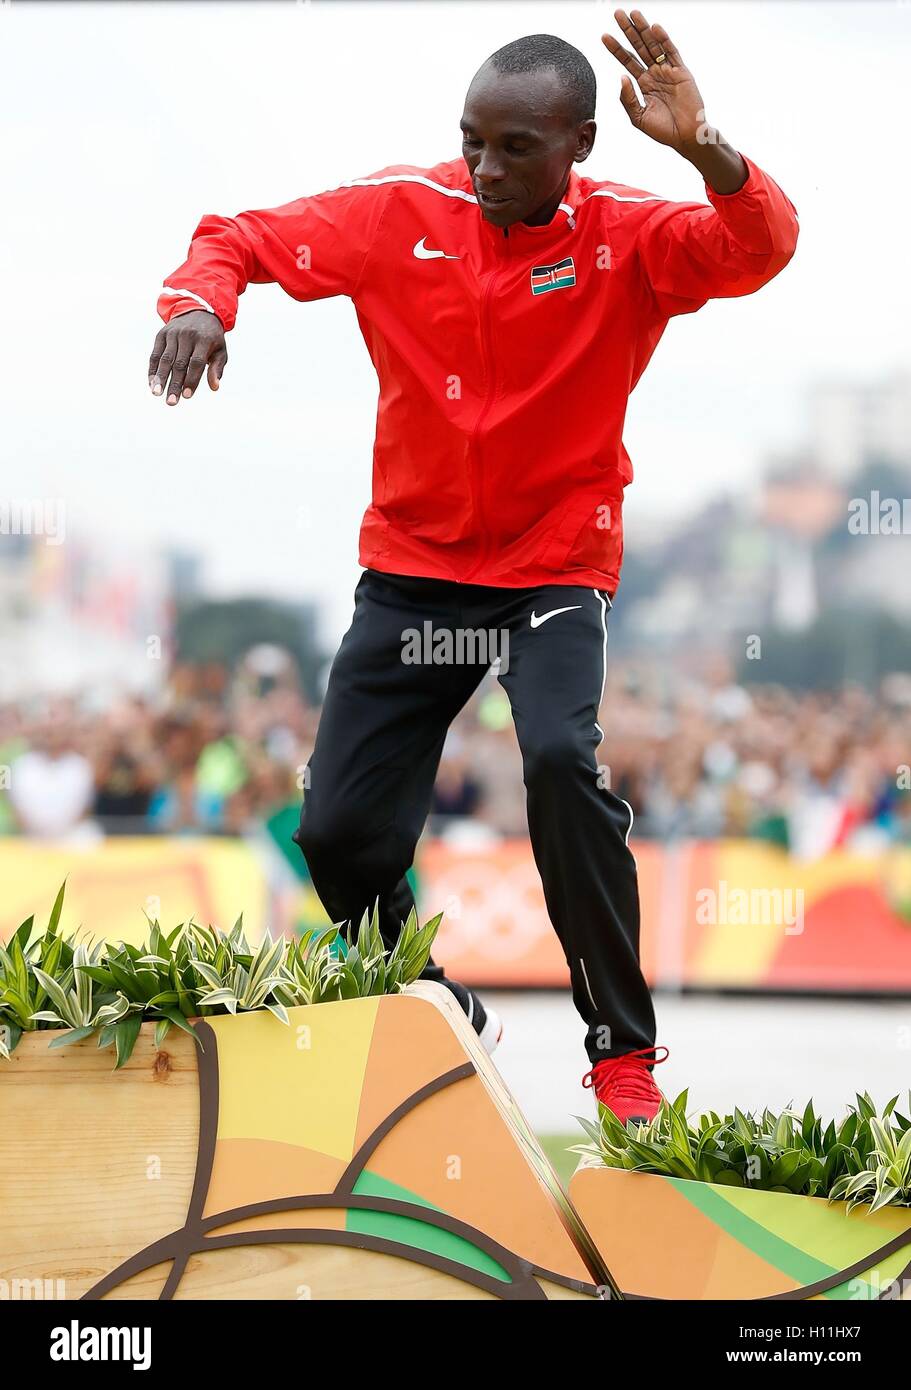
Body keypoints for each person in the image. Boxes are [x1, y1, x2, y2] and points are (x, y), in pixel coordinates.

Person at [148, 10, 798, 1122]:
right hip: (413, 567)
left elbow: (759, 246)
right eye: (471, 142)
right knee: (336, 835)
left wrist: (704, 150)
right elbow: (239, 233)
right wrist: (202, 304)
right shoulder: (405, 213)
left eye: (514, 149)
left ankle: (620, 1055)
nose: (484, 170)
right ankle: (428, 995)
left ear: (579, 149)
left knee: (555, 757)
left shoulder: (629, 239)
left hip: (552, 566)